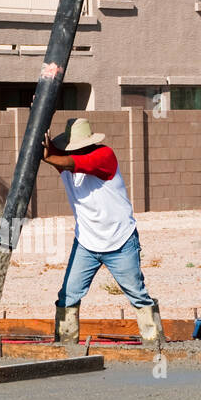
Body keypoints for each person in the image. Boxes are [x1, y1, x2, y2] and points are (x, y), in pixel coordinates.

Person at [40, 118, 163, 347]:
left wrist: (49, 156)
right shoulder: (66, 163)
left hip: (120, 240)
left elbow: (73, 162)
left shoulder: (104, 156)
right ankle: (66, 347)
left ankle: (155, 342)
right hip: (86, 243)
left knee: (137, 294)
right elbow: (52, 155)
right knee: (68, 295)